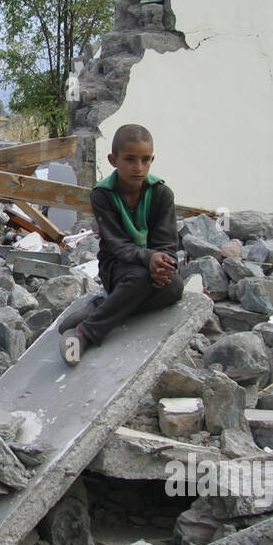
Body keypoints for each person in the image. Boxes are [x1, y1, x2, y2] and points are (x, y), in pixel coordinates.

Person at [59, 123, 183, 364]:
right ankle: (87, 332)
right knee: (140, 279)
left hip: (149, 266)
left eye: (145, 160)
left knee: (174, 288)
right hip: (116, 266)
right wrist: (149, 261)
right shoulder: (103, 195)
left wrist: (165, 265)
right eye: (130, 159)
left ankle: (100, 308)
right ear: (113, 160)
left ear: (152, 160)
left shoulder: (161, 193)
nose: (138, 167)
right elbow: (117, 245)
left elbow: (168, 243)